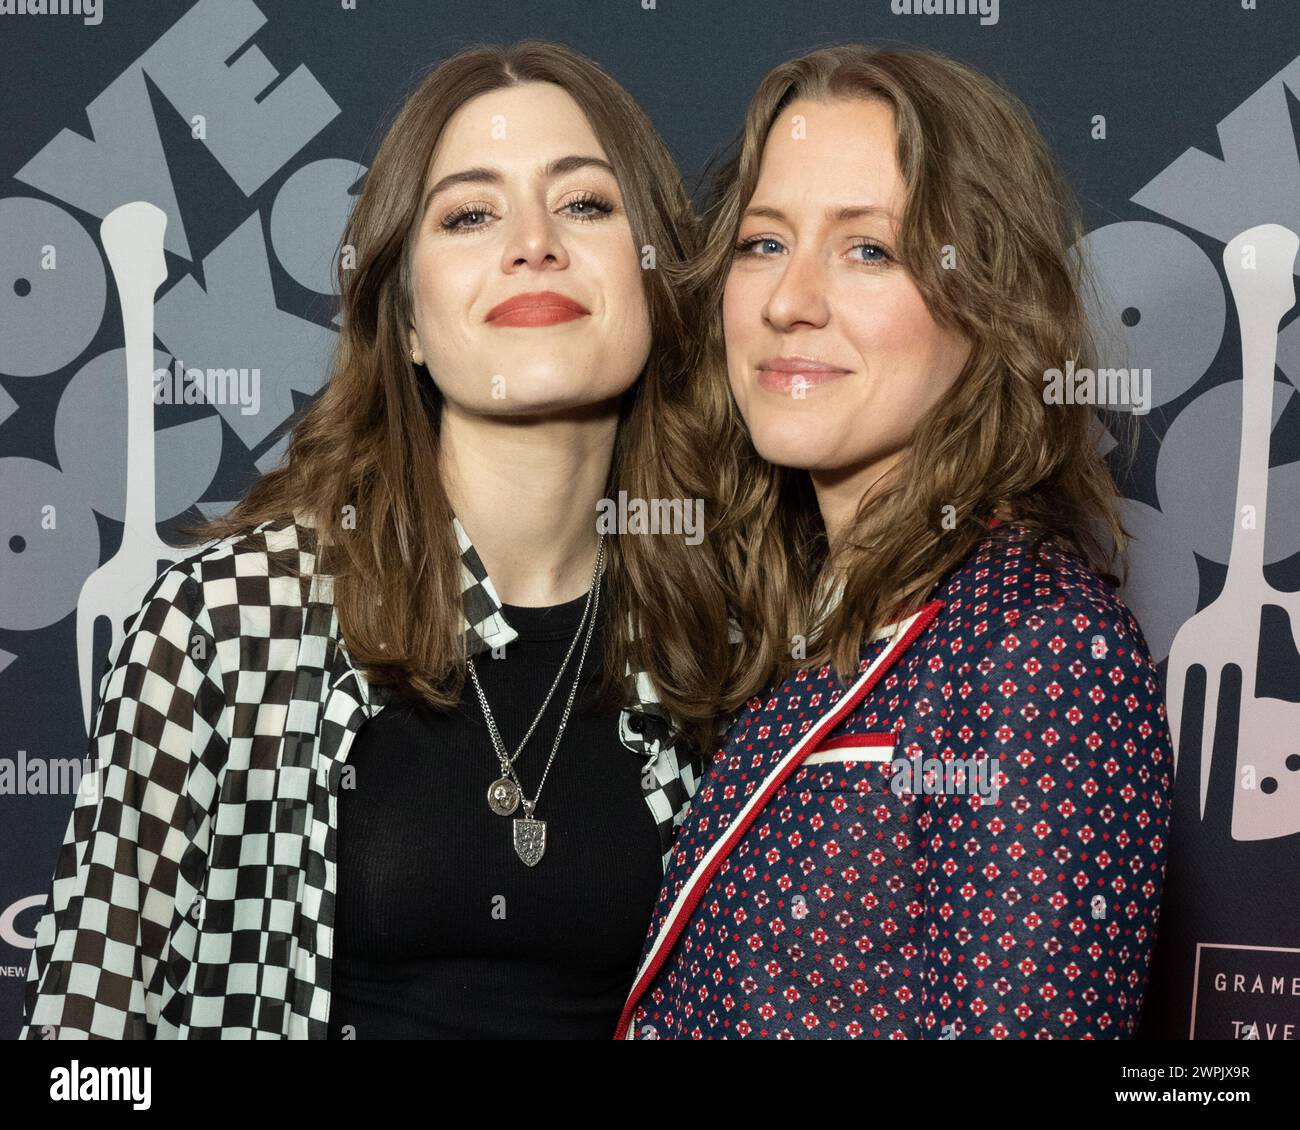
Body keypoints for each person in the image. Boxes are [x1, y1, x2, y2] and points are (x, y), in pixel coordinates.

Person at [20, 40, 733, 1040]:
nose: (532, 242)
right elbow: (75, 1053)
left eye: (584, 203)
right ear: (403, 320)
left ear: (658, 278)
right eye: (470, 214)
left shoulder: (723, 639)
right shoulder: (225, 624)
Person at [618, 44, 1175, 1040]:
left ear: (987, 306)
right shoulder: (819, 624)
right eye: (762, 242)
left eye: (868, 249)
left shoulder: (1041, 651)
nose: (791, 301)